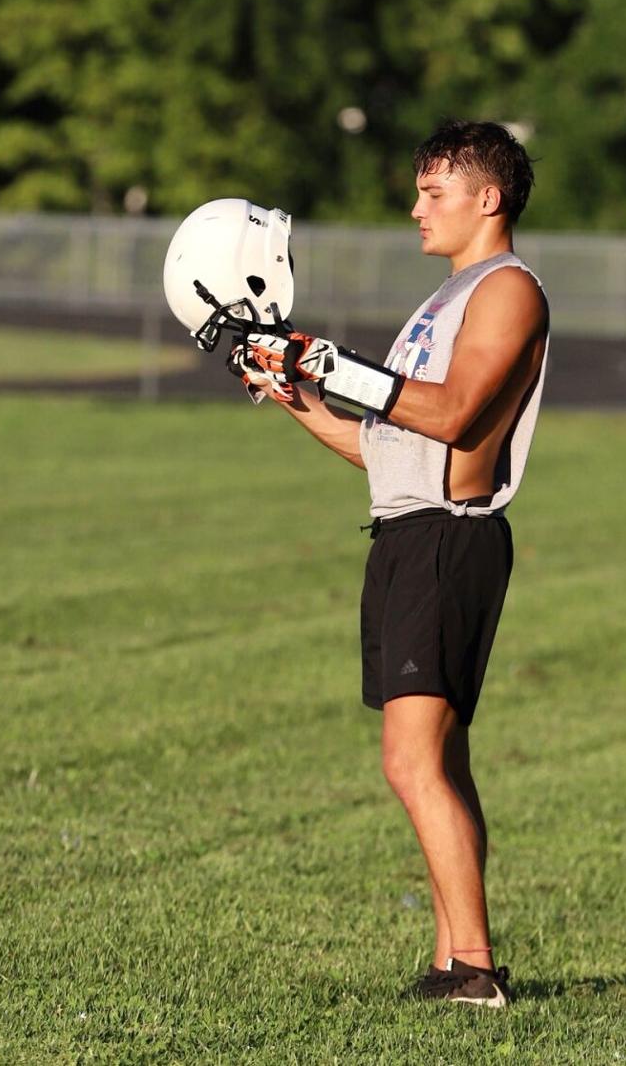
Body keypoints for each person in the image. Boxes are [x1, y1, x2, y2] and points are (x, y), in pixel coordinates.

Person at [230, 120, 550, 1008]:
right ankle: (457, 959)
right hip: (409, 532)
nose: (416, 208)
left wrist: (334, 361)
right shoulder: (444, 301)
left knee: (410, 762)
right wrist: (292, 388)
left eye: (433, 191)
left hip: (449, 537)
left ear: (488, 198)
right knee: (442, 759)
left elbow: (450, 416)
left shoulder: (507, 289)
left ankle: (475, 968)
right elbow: (383, 447)